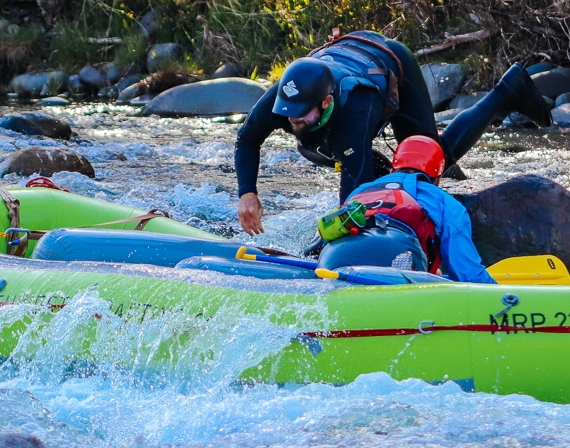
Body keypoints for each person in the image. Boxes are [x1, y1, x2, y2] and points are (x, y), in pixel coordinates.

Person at [234, 29, 549, 236]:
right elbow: (247, 139)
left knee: (431, 161)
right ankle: (389, 176)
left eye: (300, 113)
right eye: (287, 111)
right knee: (348, 158)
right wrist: (247, 192)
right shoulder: (286, 96)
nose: (291, 119)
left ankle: (509, 89)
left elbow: (352, 205)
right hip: (347, 52)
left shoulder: (354, 111)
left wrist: (325, 245)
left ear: (326, 102)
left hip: (389, 62)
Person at [317, 136, 495, 283]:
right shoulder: (446, 202)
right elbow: (467, 273)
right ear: (437, 179)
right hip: (396, 255)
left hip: (334, 258)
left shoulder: (361, 190)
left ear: (394, 168)